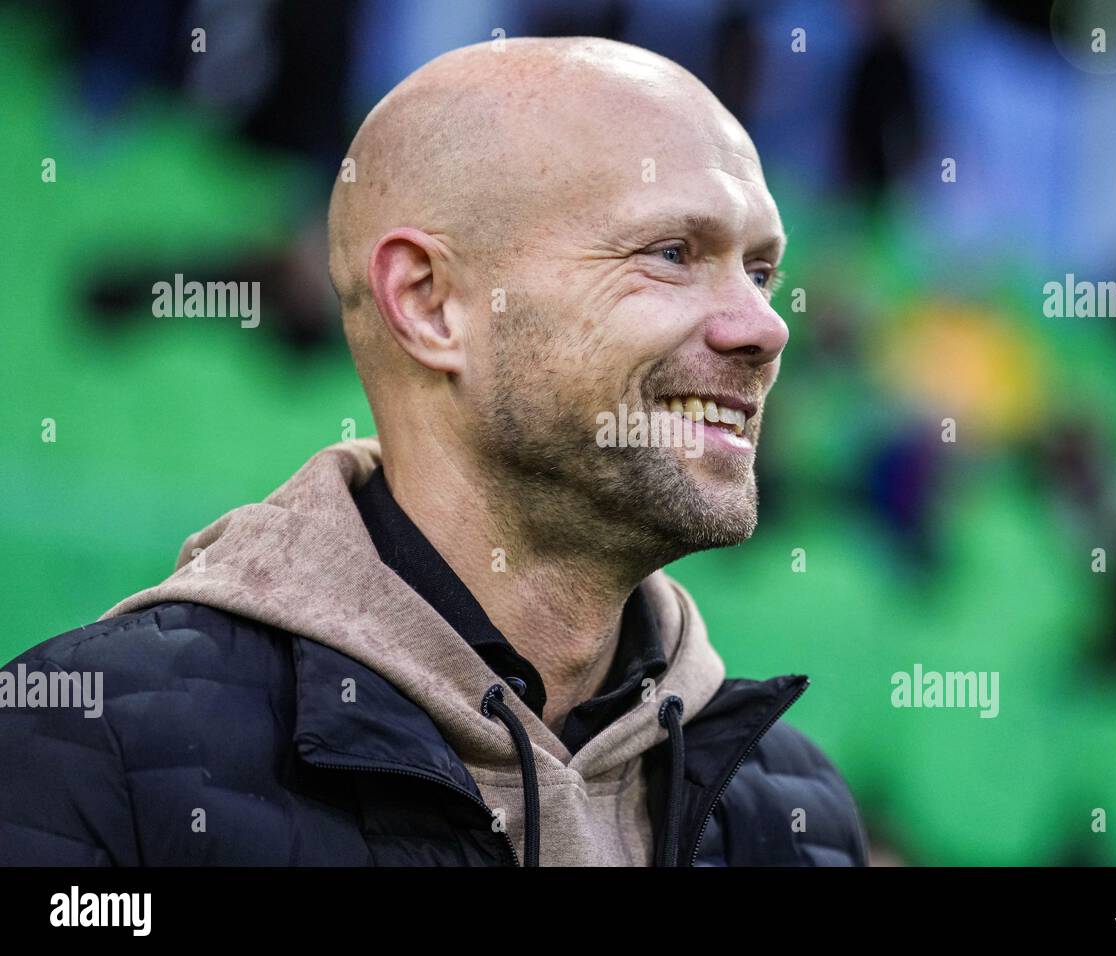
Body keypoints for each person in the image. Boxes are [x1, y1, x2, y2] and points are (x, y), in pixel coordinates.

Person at [0, 35, 868, 867]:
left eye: (760, 273)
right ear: (430, 304)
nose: (765, 328)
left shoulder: (796, 814)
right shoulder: (88, 751)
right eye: (672, 253)